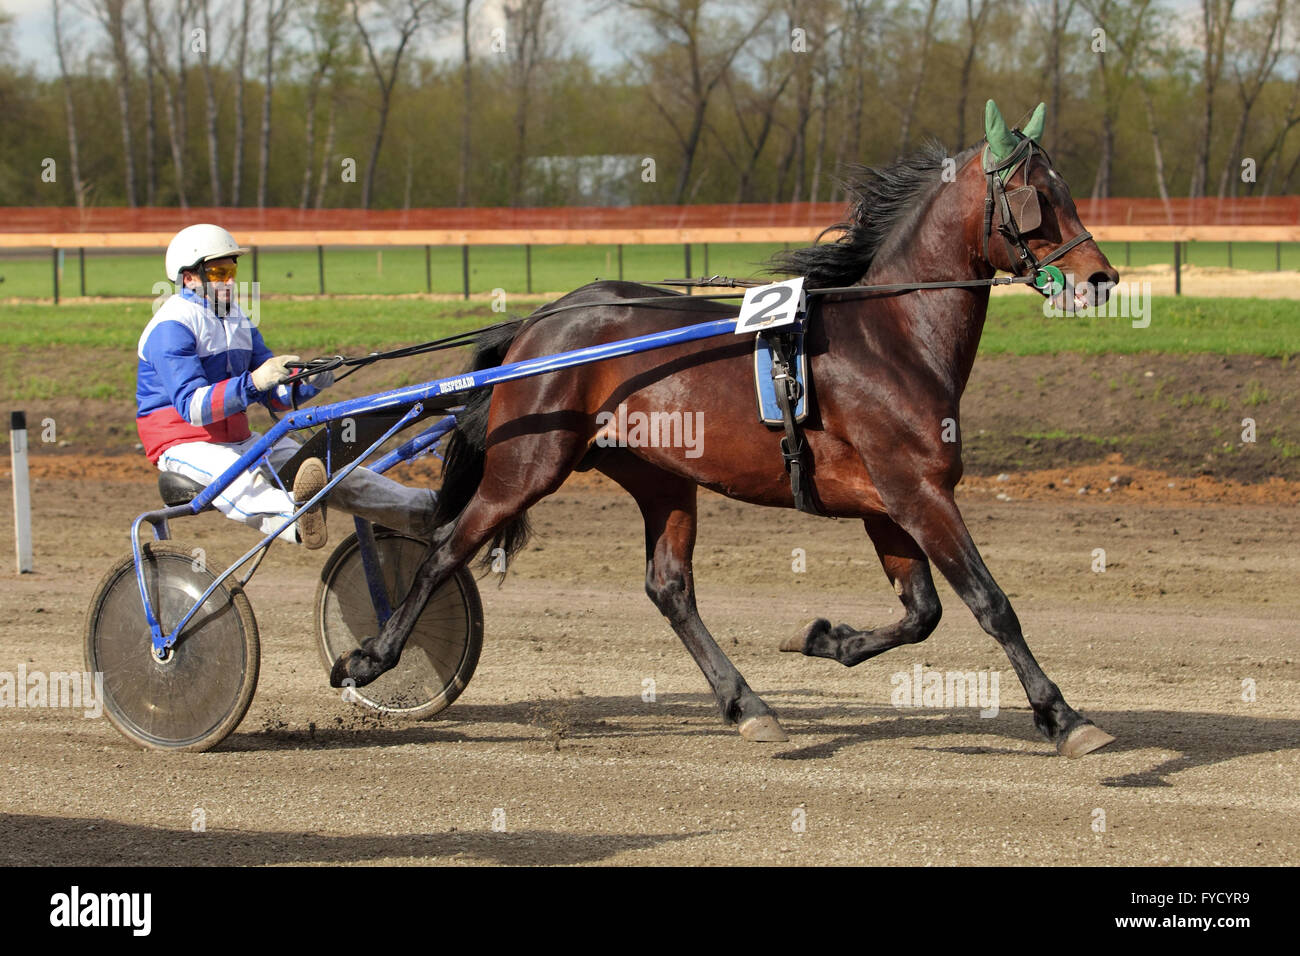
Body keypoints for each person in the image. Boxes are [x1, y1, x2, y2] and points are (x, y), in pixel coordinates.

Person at [135, 223, 437, 549]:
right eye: (219, 272)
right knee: (240, 480)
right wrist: (253, 381)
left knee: (328, 465)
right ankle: (294, 519)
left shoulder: (237, 319)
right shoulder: (172, 326)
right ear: (189, 278)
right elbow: (193, 407)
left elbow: (274, 398)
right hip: (181, 443)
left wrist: (306, 381)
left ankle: (425, 511)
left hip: (237, 438)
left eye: (232, 269)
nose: (231, 280)